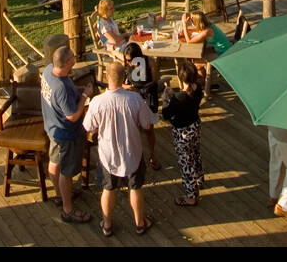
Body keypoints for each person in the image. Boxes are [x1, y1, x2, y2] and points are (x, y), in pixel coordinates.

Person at [84, 60, 156, 237]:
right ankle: (140, 223)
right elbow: (147, 125)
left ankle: (107, 224)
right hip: (132, 152)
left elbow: (88, 127)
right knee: (135, 187)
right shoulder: (135, 99)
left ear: (107, 77)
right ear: (124, 77)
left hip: (108, 154)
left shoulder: (97, 102)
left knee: (108, 188)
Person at [40, 46, 91, 224]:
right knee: (67, 172)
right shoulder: (61, 88)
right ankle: (68, 210)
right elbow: (73, 116)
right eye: (73, 56)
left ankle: (59, 195)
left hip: (52, 127)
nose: (75, 57)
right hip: (66, 133)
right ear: (68, 62)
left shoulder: (48, 71)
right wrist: (84, 95)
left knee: (54, 162)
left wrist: (76, 90)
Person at [161, 63, 204, 207]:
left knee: (186, 163)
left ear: (180, 78)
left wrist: (166, 100)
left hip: (182, 133)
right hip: (195, 126)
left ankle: (191, 196)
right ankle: (199, 179)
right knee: (195, 154)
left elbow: (166, 114)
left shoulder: (179, 98)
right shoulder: (197, 89)